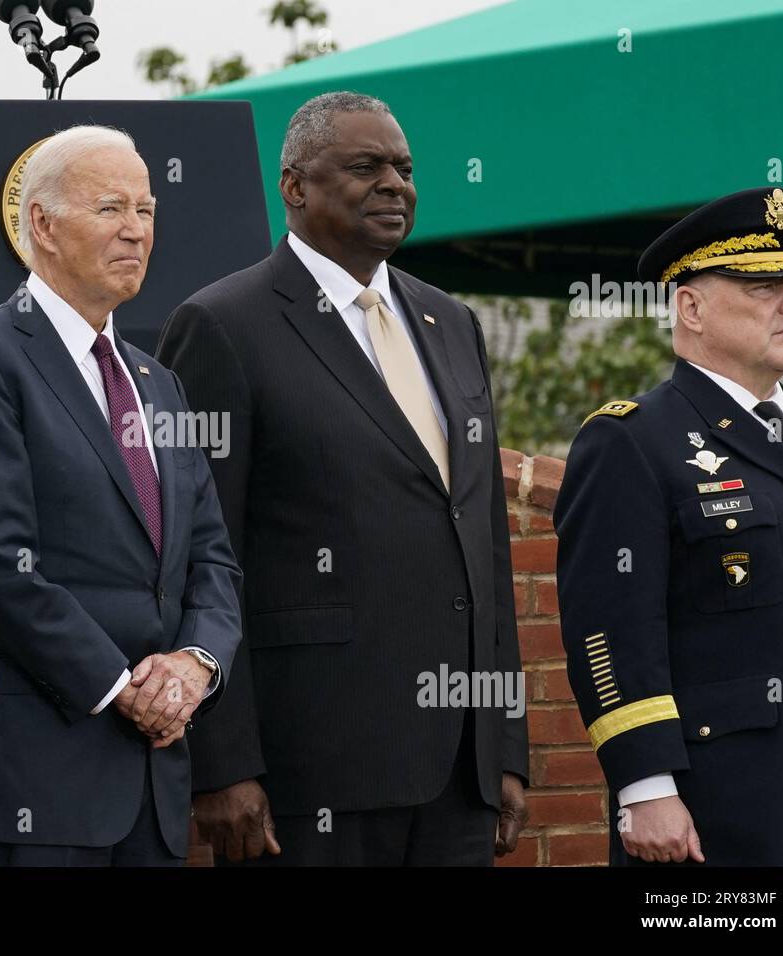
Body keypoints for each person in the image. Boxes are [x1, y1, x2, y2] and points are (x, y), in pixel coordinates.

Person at [157, 91, 529, 866]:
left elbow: (484, 538)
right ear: (294, 186)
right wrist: (223, 764)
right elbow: (198, 554)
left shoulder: (451, 322)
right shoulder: (224, 324)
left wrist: (505, 745)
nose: (395, 184)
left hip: (459, 772)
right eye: (366, 167)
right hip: (312, 771)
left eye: (404, 168)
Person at [0, 125, 242, 866]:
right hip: (43, 775)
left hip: (154, 781)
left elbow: (212, 559)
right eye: (110, 209)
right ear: (41, 223)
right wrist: (117, 684)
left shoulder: (157, 380)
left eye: (147, 209)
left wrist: (195, 663)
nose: (137, 230)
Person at [555, 186, 783, 865]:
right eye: (763, 284)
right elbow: (607, 628)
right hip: (722, 805)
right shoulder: (634, 440)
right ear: (691, 306)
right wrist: (645, 785)